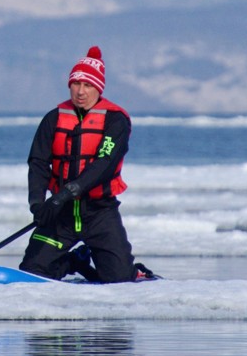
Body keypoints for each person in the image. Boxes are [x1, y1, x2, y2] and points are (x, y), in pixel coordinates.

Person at [20, 46, 151, 283]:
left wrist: (67, 192)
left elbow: (105, 163)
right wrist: (38, 204)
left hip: (100, 213)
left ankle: (121, 268)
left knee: (120, 279)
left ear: (98, 88)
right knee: (31, 273)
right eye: (76, 84)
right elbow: (38, 163)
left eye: (88, 85)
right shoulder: (53, 118)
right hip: (61, 215)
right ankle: (74, 261)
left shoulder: (115, 120)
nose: (81, 91)